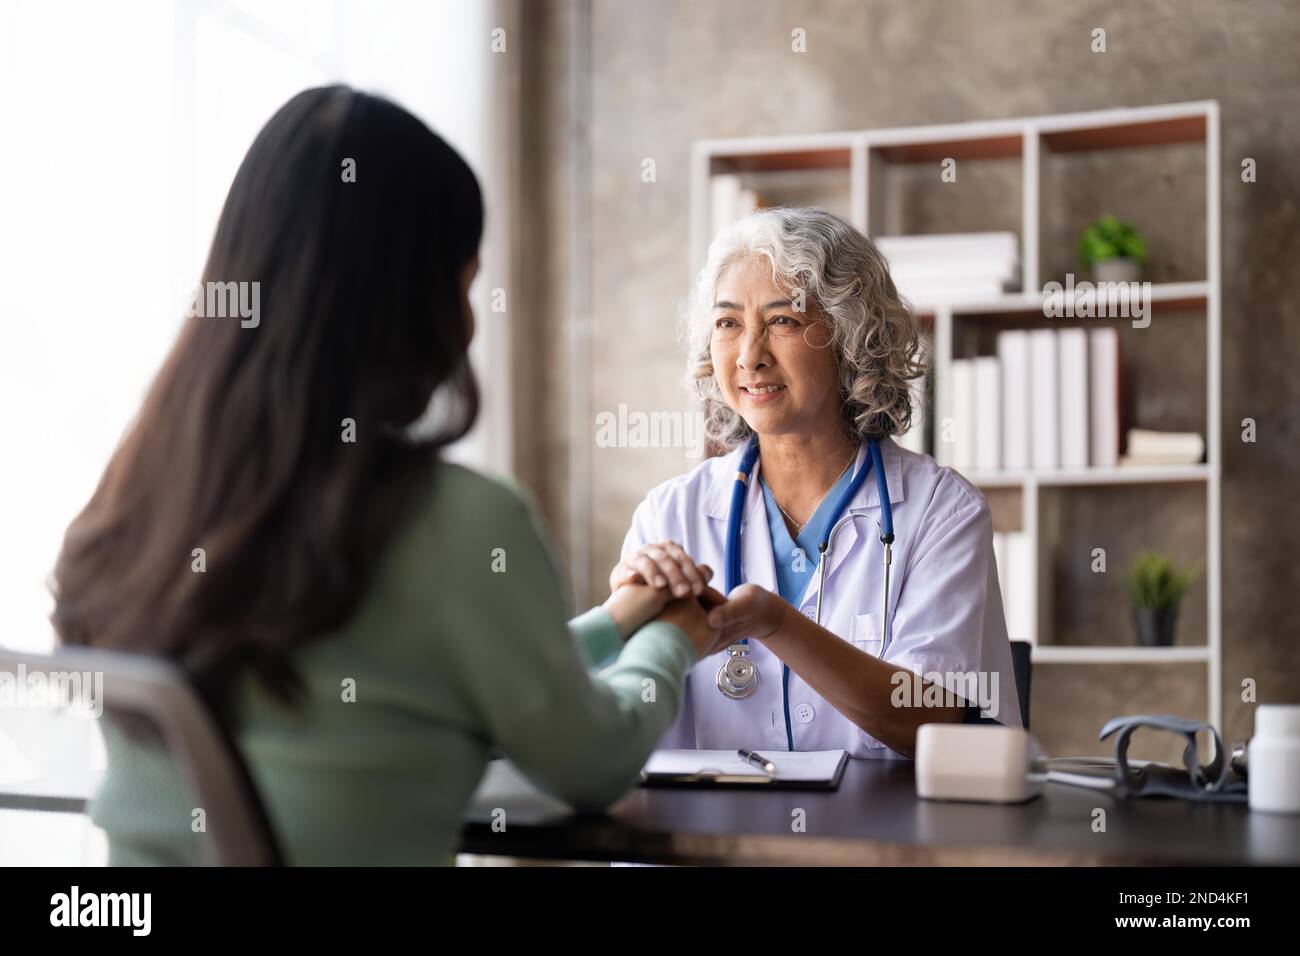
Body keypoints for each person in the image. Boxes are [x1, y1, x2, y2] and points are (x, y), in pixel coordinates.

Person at [50, 86, 723, 865]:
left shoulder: (140, 498)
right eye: (465, 285)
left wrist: (619, 619)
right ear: (415, 300)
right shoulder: (458, 521)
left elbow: (407, 674)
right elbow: (592, 760)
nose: (469, 320)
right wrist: (672, 640)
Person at [610, 207, 1022, 760]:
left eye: (783, 321)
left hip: (884, 843)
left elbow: (931, 718)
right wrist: (624, 623)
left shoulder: (940, 511)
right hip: (715, 841)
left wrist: (777, 624)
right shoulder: (668, 516)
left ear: (852, 336)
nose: (750, 356)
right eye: (728, 323)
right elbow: (618, 730)